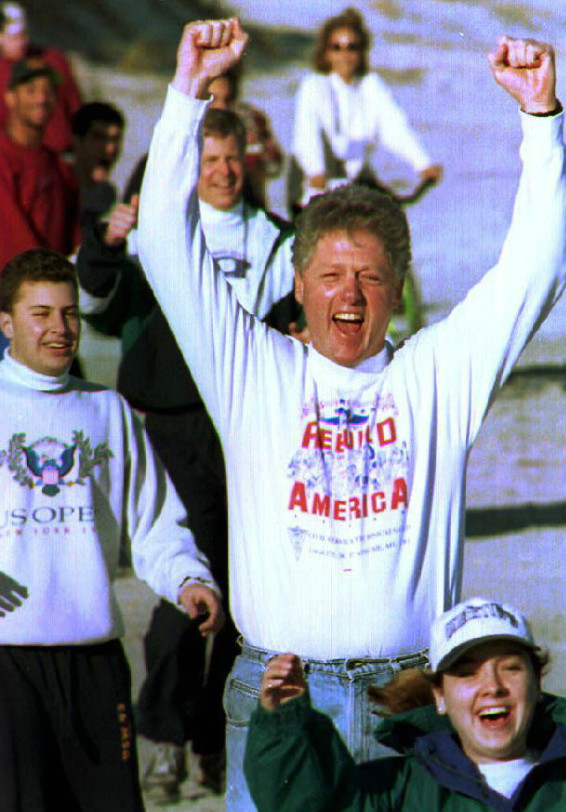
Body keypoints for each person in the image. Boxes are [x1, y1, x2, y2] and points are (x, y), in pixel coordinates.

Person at [138, 19, 566, 811]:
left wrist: (539, 120)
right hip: (280, 693)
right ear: (297, 284)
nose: (349, 294)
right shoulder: (251, 370)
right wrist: (187, 94)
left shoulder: (436, 376)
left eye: (369, 277)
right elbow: (166, 243)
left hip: (406, 698)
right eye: (331, 275)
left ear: (396, 288)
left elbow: (534, 271)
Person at [76, 106, 298, 801]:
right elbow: (99, 307)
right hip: (175, 423)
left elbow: (296, 321)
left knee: (248, 590)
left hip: (253, 426)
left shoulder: (278, 239)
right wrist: (106, 244)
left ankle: (215, 736)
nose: (224, 173)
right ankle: (165, 737)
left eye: (233, 159)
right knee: (187, 585)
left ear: (248, 162)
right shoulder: (162, 231)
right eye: (209, 162)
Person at [0, 248, 223, 812]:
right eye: (41, 314)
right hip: (9, 662)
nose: (59, 328)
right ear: (6, 324)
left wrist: (188, 579)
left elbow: (154, 520)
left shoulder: (107, 410)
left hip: (95, 658)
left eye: (69, 313)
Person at [244, 597, 566, 811]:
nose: (492, 687)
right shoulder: (396, 793)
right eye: (467, 673)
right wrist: (284, 724)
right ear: (439, 696)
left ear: (537, 684)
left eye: (510, 668)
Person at [288, 6, 442, 211]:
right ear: (326, 53)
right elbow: (306, 133)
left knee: (388, 216)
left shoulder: (371, 86)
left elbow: (394, 127)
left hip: (354, 180)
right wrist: (316, 171)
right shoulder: (314, 86)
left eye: (351, 47)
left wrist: (422, 163)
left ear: (361, 52)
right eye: (337, 47)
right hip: (315, 183)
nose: (345, 54)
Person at [0, 58, 79, 270]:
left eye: (49, 91)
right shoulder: (4, 158)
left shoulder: (59, 167)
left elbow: (73, 237)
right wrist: (42, 277)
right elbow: (10, 235)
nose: (41, 98)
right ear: (10, 97)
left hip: (54, 283)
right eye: (31, 90)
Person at [0, 1, 81, 154]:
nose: (21, 43)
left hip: (62, 154)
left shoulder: (54, 60)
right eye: (13, 38)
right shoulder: (2, 73)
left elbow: (74, 104)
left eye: (23, 35)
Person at [207, 68, 283, 209]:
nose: (221, 106)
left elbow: (275, 166)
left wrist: (257, 149)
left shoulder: (251, 120)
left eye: (228, 99)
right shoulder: (187, 125)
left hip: (249, 206)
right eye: (212, 99)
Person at [70, 100, 125, 230]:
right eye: (99, 138)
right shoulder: (56, 186)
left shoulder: (107, 194)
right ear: (77, 141)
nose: (110, 148)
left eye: (115, 139)